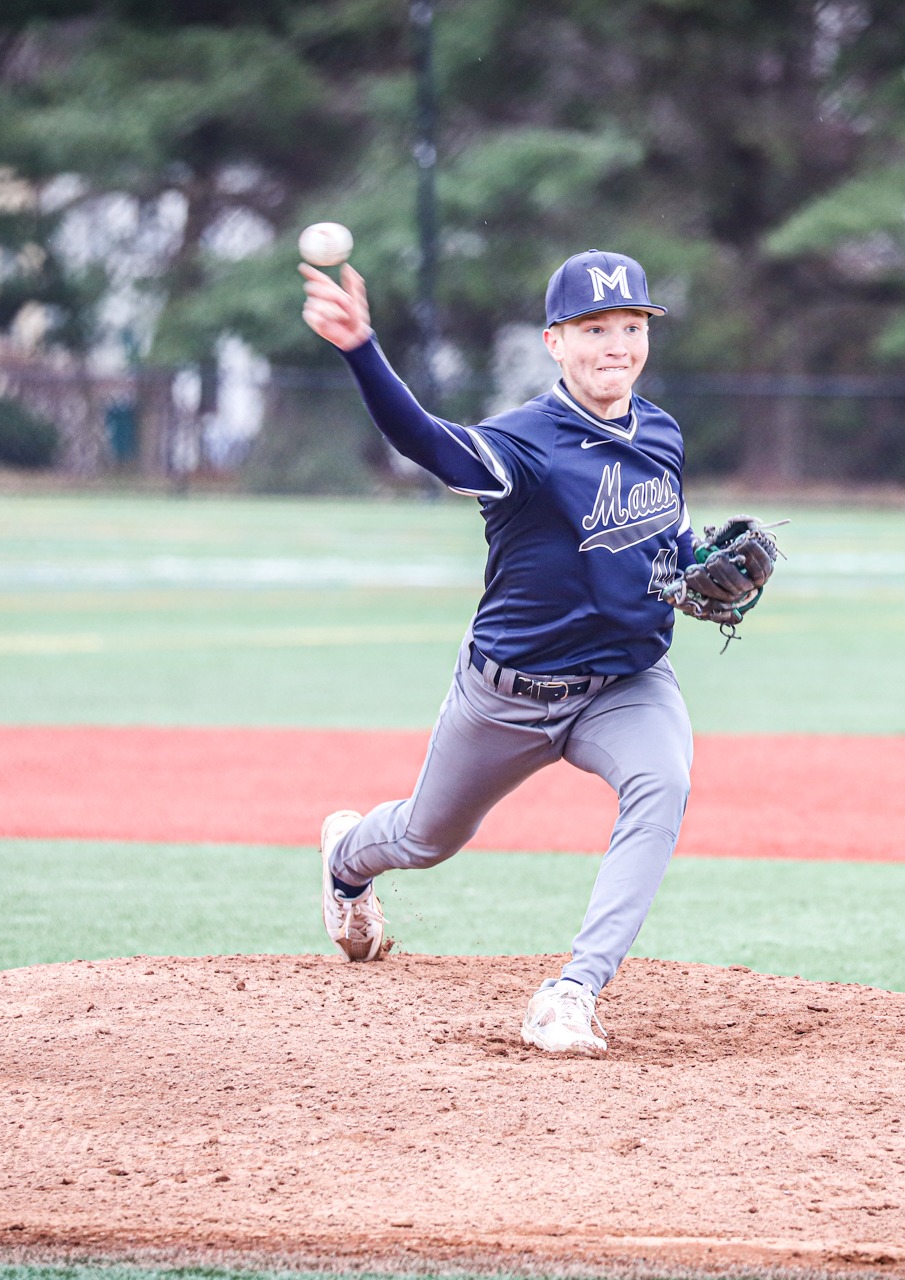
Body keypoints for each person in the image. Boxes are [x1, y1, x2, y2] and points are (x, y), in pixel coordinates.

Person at [298, 249, 772, 1057]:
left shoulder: (661, 431)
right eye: (594, 329)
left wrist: (699, 566)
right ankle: (347, 859)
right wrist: (362, 351)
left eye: (631, 326)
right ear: (555, 342)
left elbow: (672, 543)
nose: (616, 345)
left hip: (626, 682)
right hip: (508, 694)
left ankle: (572, 993)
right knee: (426, 838)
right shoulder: (525, 443)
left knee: (663, 784)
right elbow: (425, 440)